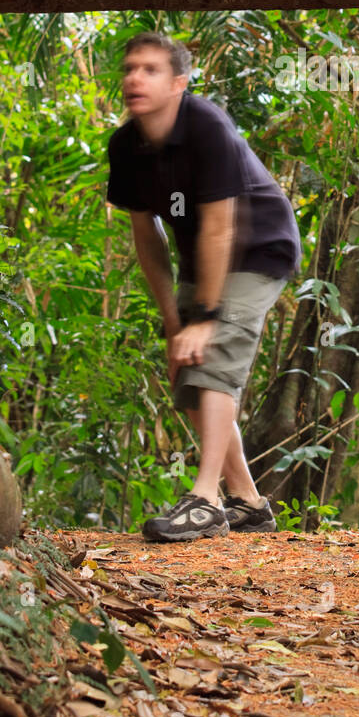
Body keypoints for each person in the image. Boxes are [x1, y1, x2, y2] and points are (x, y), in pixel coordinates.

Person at [106, 31, 301, 542]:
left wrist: (208, 318)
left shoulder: (206, 125)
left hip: (258, 245)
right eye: (130, 68)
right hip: (202, 257)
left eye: (149, 69)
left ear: (178, 83)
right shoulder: (126, 146)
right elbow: (146, 236)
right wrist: (175, 324)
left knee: (213, 363)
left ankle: (207, 499)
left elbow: (222, 227)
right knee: (191, 377)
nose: (134, 78)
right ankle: (249, 503)